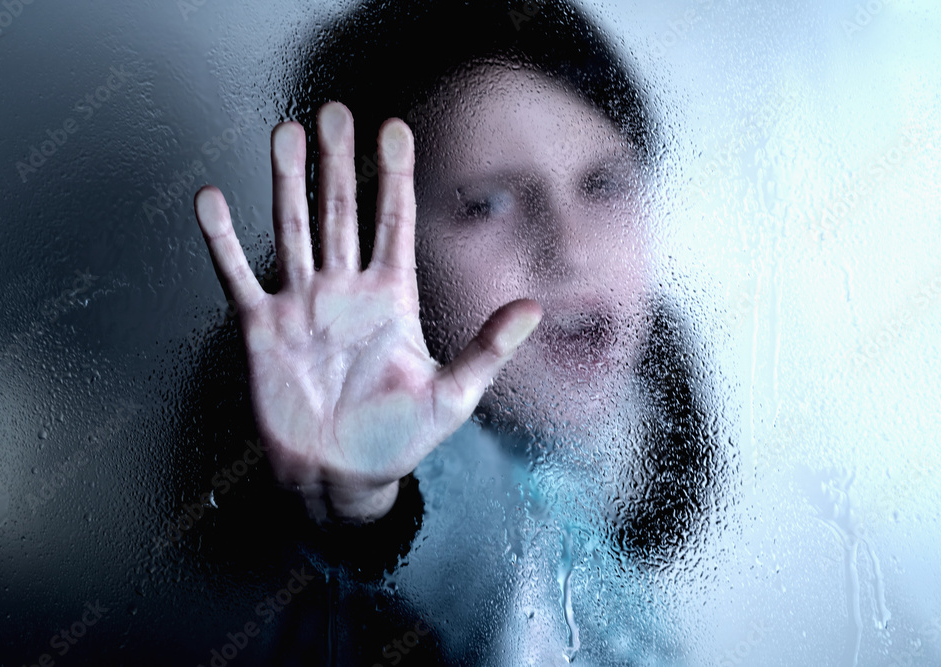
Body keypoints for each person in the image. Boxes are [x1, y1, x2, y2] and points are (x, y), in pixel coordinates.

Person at [192, 0, 735, 663]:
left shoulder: (578, 487)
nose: (569, 248)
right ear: (373, 262)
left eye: (602, 182)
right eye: (486, 203)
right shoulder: (468, 494)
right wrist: (373, 495)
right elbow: (451, 522)